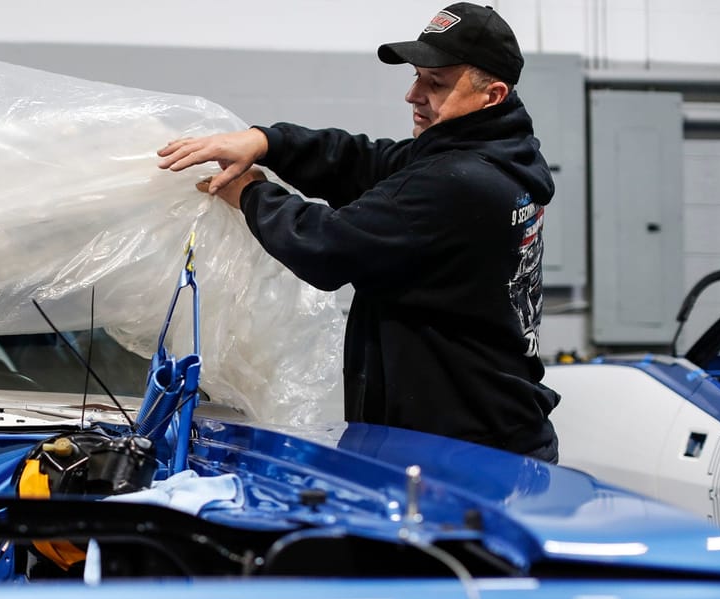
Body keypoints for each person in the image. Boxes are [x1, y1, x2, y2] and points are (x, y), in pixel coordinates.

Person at [156, 2, 560, 463]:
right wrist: (267, 141)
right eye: (416, 77)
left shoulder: (461, 181)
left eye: (436, 83)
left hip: (466, 452)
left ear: (491, 95)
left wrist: (250, 193)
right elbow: (365, 160)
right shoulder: (493, 155)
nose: (413, 94)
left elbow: (327, 247)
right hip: (474, 431)